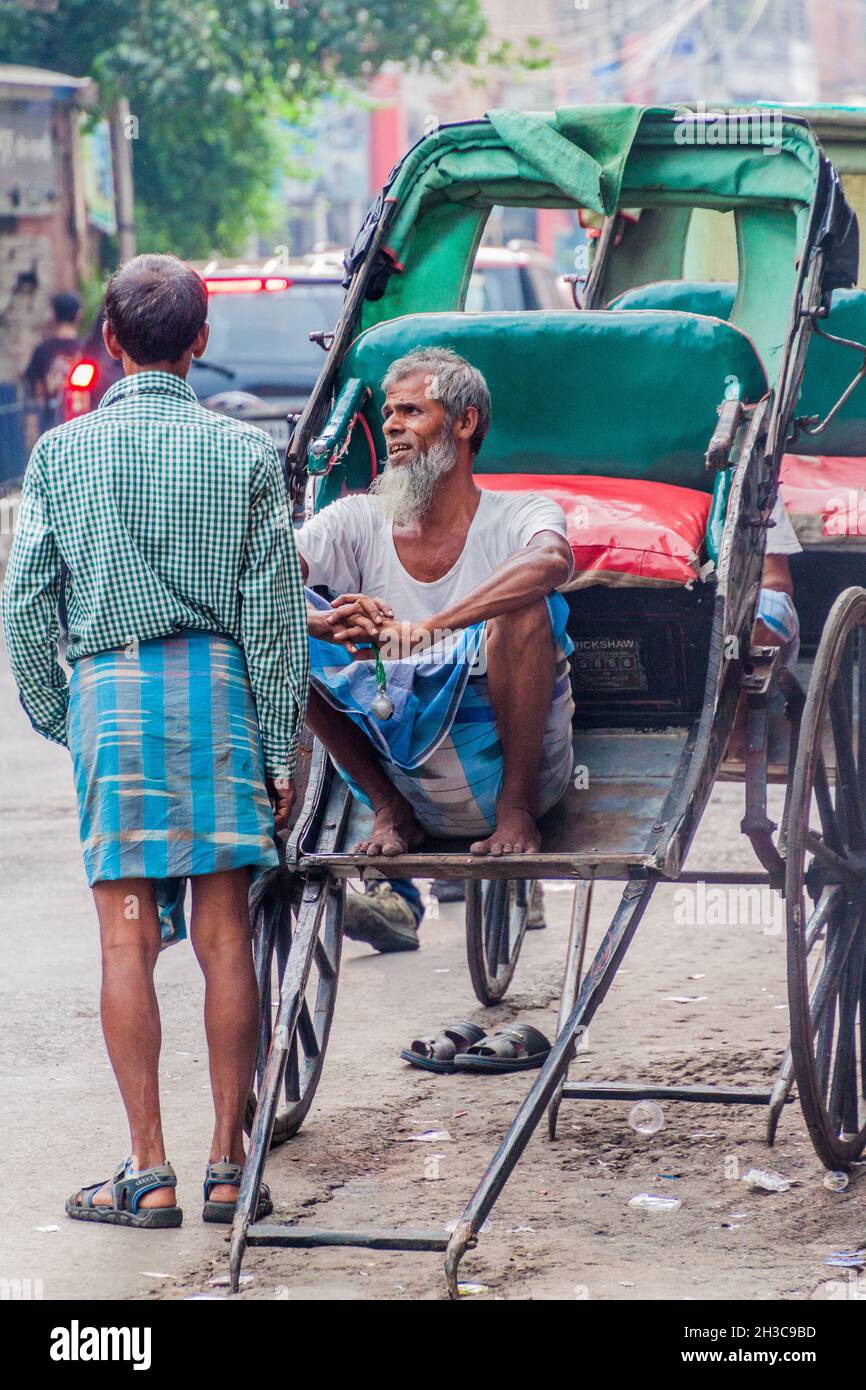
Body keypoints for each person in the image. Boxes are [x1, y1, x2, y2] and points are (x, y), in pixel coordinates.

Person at [2, 254, 308, 1228]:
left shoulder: (61, 455)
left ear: (110, 343)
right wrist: (277, 749)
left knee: (126, 937)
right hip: (217, 697)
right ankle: (229, 1166)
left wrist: (64, 712)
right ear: (200, 343)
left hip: (113, 700)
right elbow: (272, 622)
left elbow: (22, 605)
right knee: (225, 938)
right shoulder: (246, 457)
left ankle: (149, 1168)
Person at [296, 347, 575, 954]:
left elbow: (553, 559)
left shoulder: (518, 513)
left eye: (411, 412)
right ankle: (390, 810)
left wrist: (433, 627)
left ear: (465, 423)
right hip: (403, 771)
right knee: (282, 634)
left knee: (526, 604)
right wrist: (317, 624)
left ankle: (516, 812)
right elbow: (268, 574)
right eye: (388, 413)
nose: (391, 425)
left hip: (509, 769)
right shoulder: (357, 520)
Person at [23, 291, 82, 433]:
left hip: (49, 423)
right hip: (81, 421)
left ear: (54, 316)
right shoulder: (85, 349)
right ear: (78, 316)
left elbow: (35, 389)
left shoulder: (42, 349)